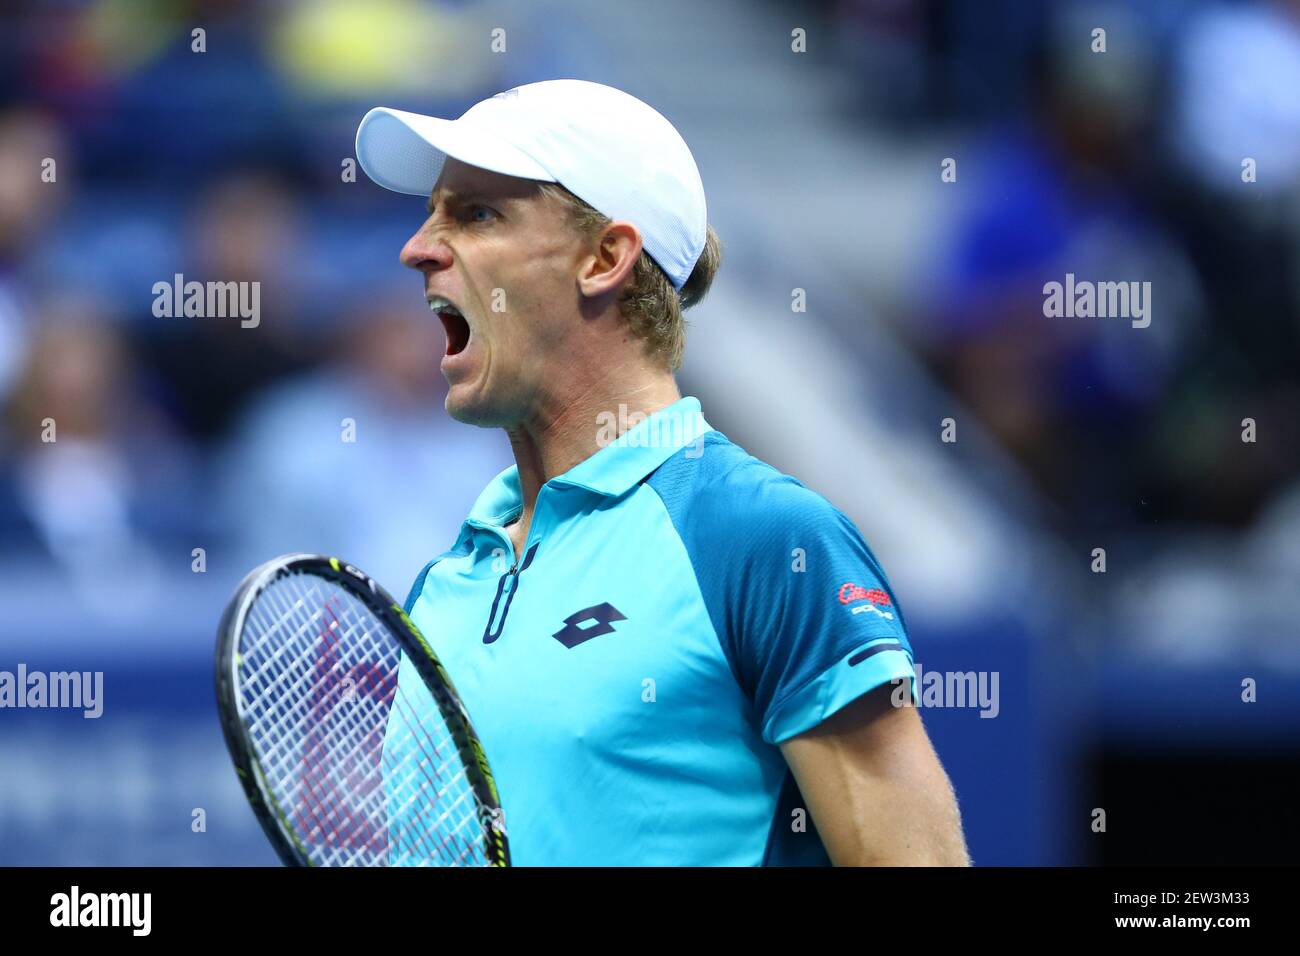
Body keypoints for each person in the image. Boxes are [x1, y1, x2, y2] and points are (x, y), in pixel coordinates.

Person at [355, 79, 969, 865]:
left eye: (477, 214)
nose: (418, 247)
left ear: (605, 257)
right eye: (431, 213)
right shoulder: (448, 582)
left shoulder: (762, 540)